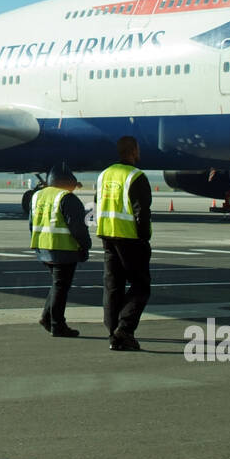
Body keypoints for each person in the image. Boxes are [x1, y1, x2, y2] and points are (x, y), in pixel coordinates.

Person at [95, 136, 152, 351]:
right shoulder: (136, 176)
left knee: (113, 286)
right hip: (130, 238)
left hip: (107, 236)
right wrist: (144, 237)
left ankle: (113, 333)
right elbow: (141, 212)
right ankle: (125, 329)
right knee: (140, 285)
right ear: (134, 150)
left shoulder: (104, 175)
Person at [28, 162, 92, 337]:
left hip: (43, 247)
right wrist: (85, 247)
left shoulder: (37, 196)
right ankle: (57, 324)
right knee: (61, 287)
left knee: (57, 285)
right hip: (63, 249)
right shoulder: (68, 198)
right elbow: (78, 228)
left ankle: (47, 318)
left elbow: (31, 224)